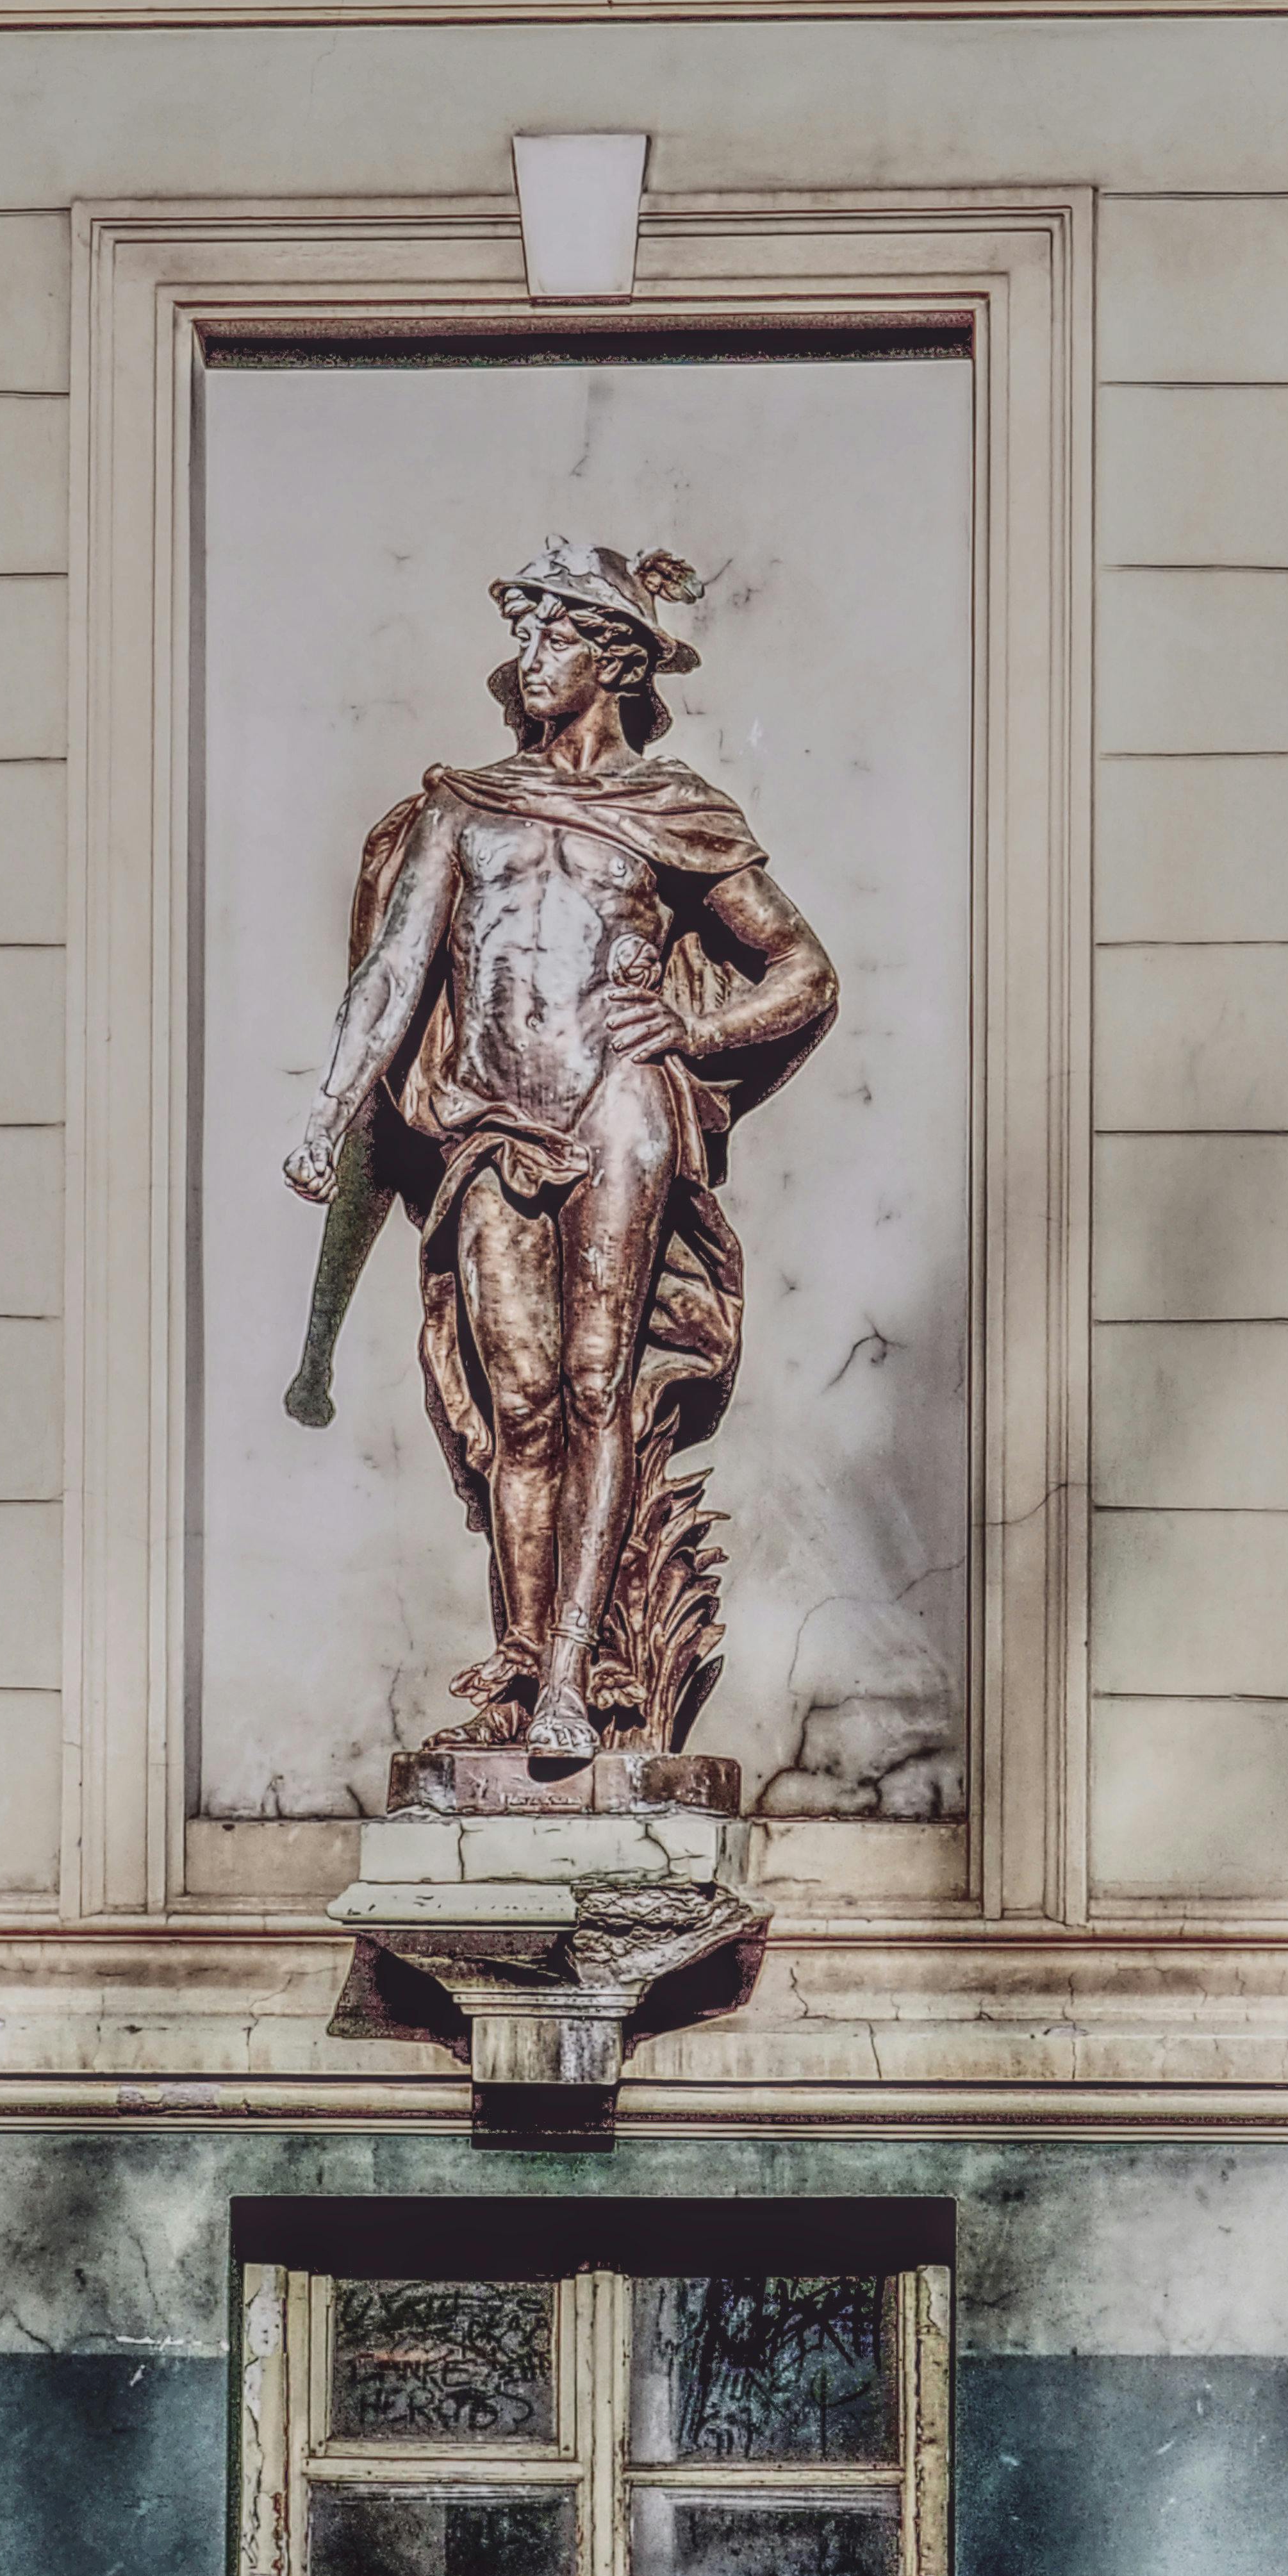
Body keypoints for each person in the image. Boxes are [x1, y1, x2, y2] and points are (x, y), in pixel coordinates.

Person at [285, 540, 837, 1761]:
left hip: (620, 1104)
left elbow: (802, 971)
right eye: (523, 637)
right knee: (517, 1401)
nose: (529, 660)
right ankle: (524, 1649)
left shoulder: (672, 811)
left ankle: (573, 1681)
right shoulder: (462, 807)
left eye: (555, 637)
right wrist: (331, 1109)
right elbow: (393, 972)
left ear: (618, 660)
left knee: (600, 1386)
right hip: (488, 1115)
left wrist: (695, 1025)